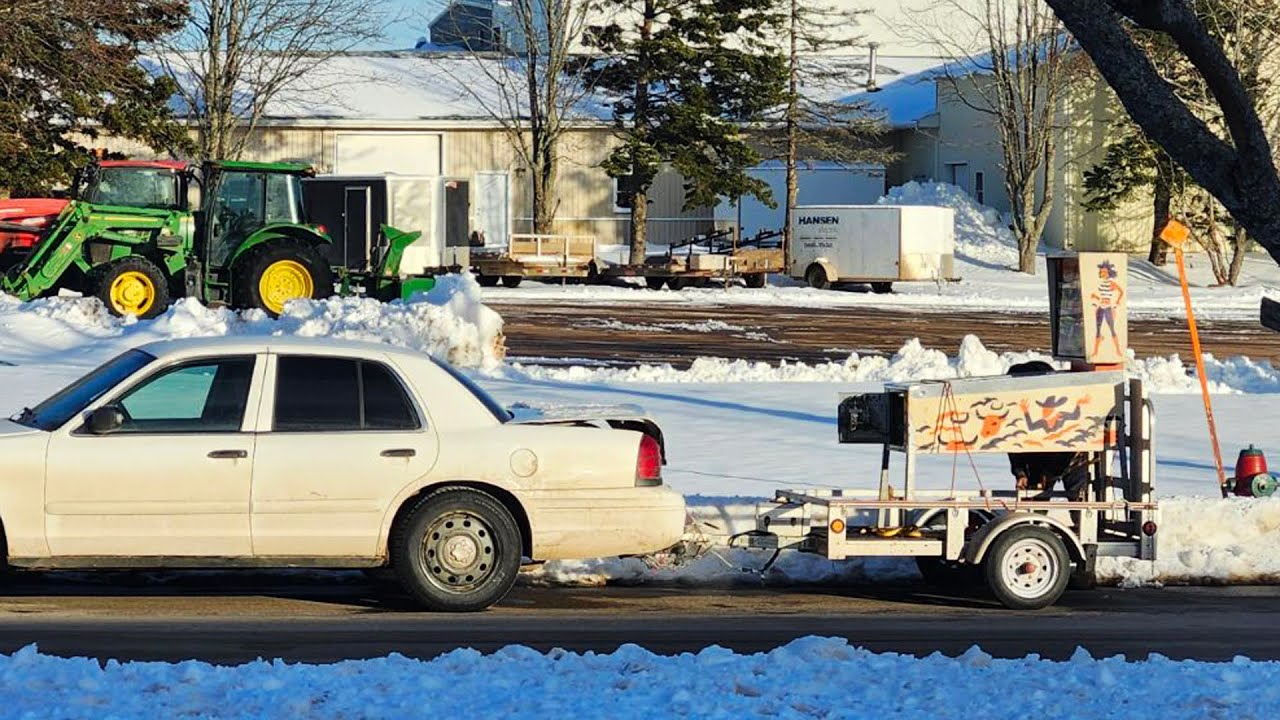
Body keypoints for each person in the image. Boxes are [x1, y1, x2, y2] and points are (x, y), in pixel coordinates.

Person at [1006, 361, 1091, 502]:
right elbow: (1014, 443)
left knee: (1079, 503)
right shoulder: (1020, 412)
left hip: (1070, 458)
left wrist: (1048, 474)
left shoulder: (1062, 412)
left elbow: (1071, 444)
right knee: (1034, 507)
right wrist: (1020, 472)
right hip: (1037, 460)